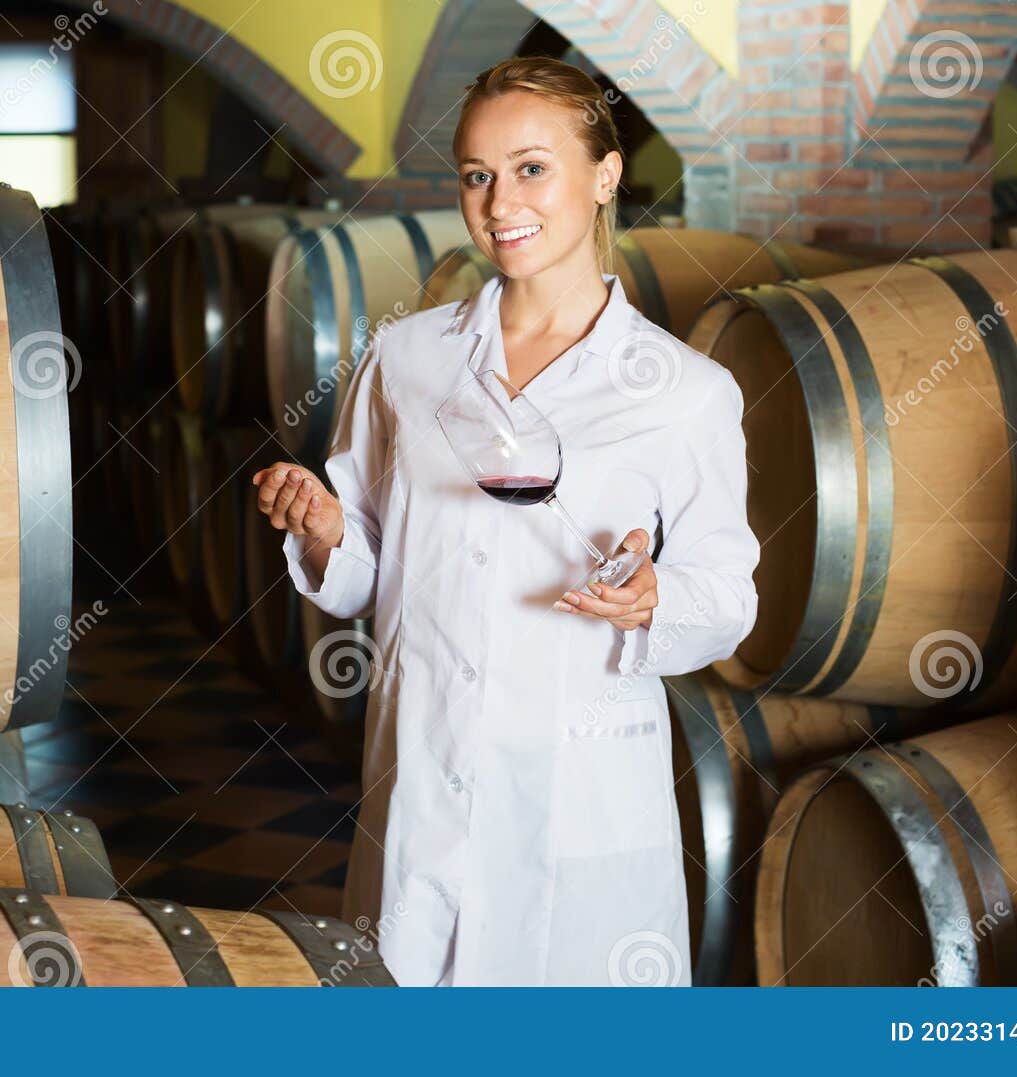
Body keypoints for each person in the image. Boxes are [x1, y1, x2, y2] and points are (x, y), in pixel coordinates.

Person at [251, 56, 759, 986]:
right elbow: (366, 571)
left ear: (606, 177)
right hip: (421, 781)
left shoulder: (686, 392)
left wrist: (656, 598)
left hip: (583, 801)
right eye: (478, 175)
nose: (499, 201)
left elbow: (728, 598)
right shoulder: (406, 358)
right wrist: (325, 527)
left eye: (531, 168)